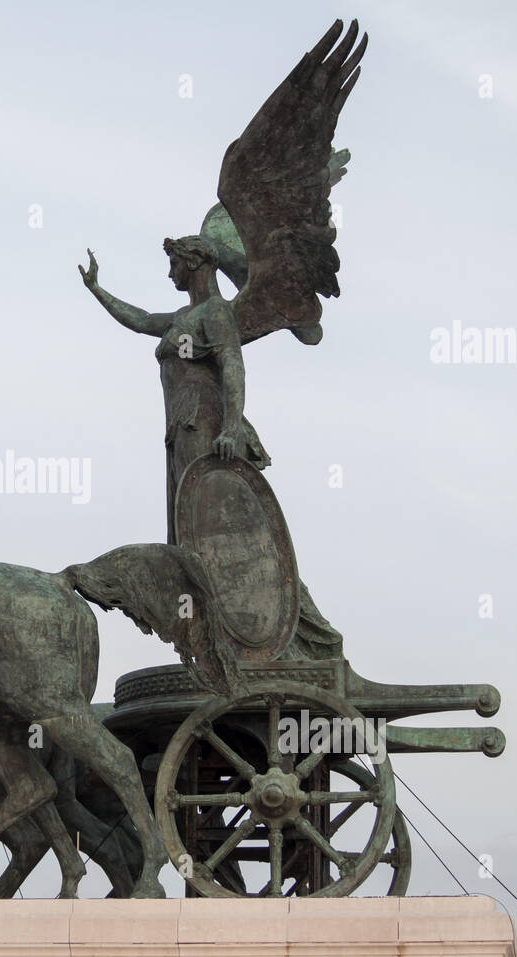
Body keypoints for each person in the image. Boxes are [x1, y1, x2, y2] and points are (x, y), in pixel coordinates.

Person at [79, 237, 342, 660]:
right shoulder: (187, 315)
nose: (170, 274)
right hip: (182, 429)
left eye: (174, 265)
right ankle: (214, 636)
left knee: (213, 533)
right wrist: (97, 290)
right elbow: (143, 319)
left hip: (205, 423)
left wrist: (233, 425)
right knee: (191, 536)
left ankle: (264, 633)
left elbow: (232, 366)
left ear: (195, 263)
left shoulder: (216, 314)